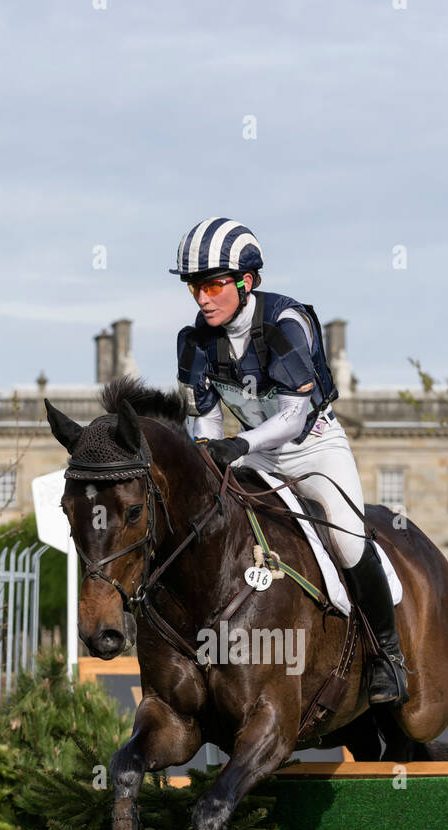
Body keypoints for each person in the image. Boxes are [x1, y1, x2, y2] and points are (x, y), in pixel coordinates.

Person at [172, 217, 409, 706]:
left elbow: (293, 418)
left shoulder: (285, 324)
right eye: (196, 286)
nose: (202, 298)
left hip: (313, 448)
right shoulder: (196, 342)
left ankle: (389, 657)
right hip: (255, 456)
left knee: (346, 535)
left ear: (247, 281)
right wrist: (206, 458)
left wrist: (237, 447)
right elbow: (208, 422)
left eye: (214, 284)